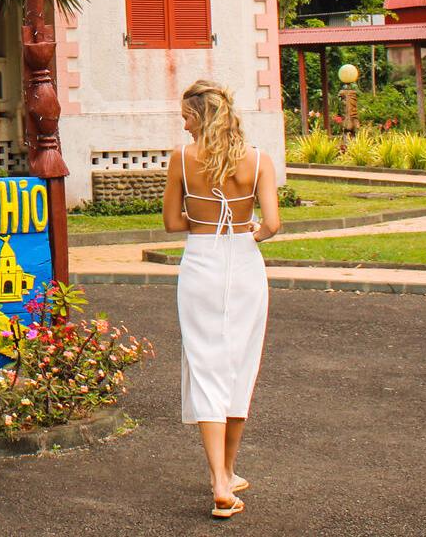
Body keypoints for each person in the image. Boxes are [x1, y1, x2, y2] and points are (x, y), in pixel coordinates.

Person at [162, 79, 282, 520]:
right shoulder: (258, 161)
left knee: (206, 363)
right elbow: (272, 223)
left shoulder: (180, 160)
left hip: (201, 260)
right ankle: (226, 473)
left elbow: (173, 222)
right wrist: (247, 231)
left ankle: (220, 479)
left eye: (186, 115)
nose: (182, 121)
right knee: (238, 366)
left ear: (201, 116)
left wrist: (203, 217)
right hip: (244, 261)